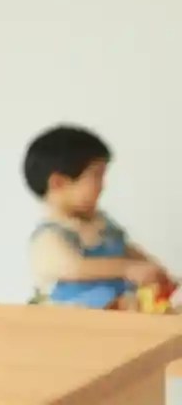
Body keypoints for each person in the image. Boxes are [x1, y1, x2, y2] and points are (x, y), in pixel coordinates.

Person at [24, 124, 172, 309]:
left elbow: (128, 250)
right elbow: (71, 268)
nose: (103, 185)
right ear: (58, 183)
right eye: (96, 176)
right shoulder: (50, 235)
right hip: (76, 316)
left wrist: (158, 272)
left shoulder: (102, 225)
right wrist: (125, 268)